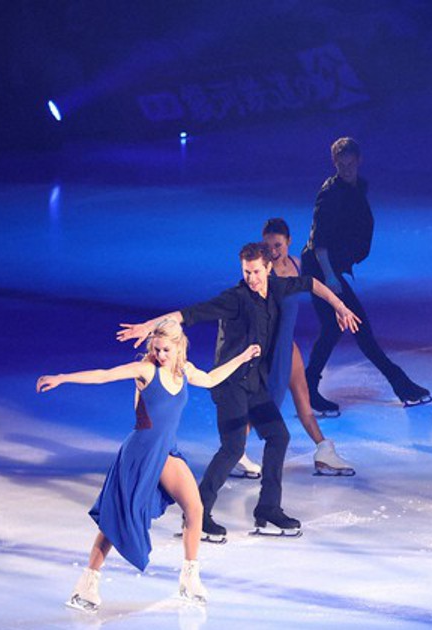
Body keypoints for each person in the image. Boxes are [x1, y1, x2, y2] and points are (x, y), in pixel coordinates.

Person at [117, 242, 360, 542]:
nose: (252, 278)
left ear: (268, 269)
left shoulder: (278, 288)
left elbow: (311, 283)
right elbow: (189, 314)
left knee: (278, 436)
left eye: (257, 272)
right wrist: (148, 327)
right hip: (229, 384)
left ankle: (268, 509)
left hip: (255, 383)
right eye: (247, 272)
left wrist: (340, 306)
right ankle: (198, 512)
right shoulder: (235, 299)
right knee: (232, 448)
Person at [39, 322, 260, 612]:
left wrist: (241, 358)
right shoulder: (146, 370)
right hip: (140, 453)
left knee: (195, 509)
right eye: (156, 349)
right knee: (115, 519)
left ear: (179, 346)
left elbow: (209, 379)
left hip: (166, 451)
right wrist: (63, 377)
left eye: (166, 349)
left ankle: (189, 578)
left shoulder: (184, 370)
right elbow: (105, 376)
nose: (160, 355)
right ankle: (87, 583)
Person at [302, 137, 431, 414]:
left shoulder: (356, 187)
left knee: (334, 328)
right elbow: (319, 242)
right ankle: (401, 384)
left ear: (358, 161)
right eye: (341, 164)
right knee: (356, 327)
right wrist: (331, 278)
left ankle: (308, 387)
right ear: (334, 164)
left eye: (351, 163)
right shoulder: (331, 193)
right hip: (322, 269)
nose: (346, 169)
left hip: (332, 267)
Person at [232, 218, 355, 478]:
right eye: (267, 246)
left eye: (278, 245)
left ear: (288, 242)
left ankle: (323, 451)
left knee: (303, 400)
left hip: (289, 345)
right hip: (269, 350)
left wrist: (338, 307)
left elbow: (315, 286)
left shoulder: (296, 265)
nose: (273, 251)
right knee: (259, 404)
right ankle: (235, 453)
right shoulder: (262, 275)